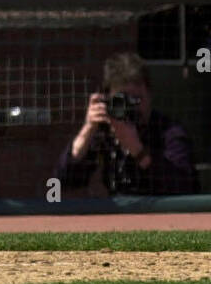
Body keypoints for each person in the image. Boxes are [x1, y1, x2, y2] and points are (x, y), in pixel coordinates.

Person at [55, 53, 199, 196]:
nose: (131, 108)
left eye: (137, 99)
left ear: (150, 96)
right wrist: (87, 130)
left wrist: (138, 150)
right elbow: (65, 180)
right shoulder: (105, 132)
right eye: (123, 100)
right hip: (120, 215)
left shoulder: (169, 132)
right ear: (109, 99)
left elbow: (185, 186)